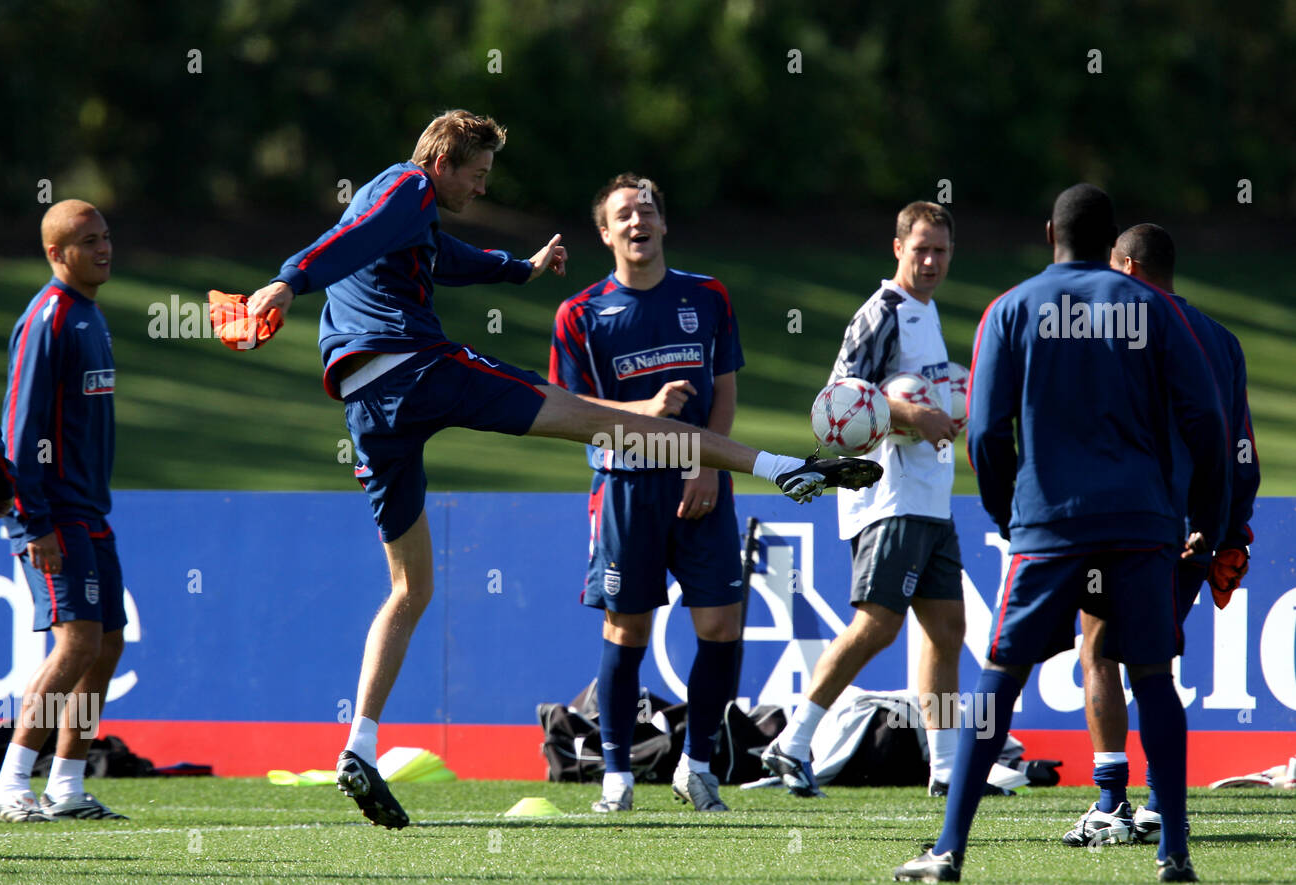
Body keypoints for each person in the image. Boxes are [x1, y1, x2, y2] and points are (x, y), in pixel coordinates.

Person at [240, 110, 881, 828]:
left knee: (410, 586)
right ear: (445, 158)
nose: (481, 189)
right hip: (415, 367)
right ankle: (784, 466)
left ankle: (358, 742)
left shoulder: (411, 218)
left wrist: (519, 268)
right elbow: (349, 239)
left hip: (366, 405)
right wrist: (287, 281)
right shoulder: (407, 186)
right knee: (606, 420)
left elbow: (444, 259)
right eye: (478, 175)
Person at [894, 184, 1229, 884]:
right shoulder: (1155, 310)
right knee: (1154, 677)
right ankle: (1175, 852)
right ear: (1112, 241)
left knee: (1001, 676)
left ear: (1050, 232)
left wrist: (1006, 511)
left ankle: (949, 849)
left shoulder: (1010, 308)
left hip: (1048, 522)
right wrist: (1208, 515)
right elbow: (1206, 420)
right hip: (1141, 523)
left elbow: (986, 431)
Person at [549, 174, 746, 813]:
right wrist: (646, 408)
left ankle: (697, 764)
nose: (639, 222)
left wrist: (709, 465)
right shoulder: (578, 314)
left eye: (648, 211)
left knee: (720, 624)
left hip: (700, 481)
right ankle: (616, 778)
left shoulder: (708, 295)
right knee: (628, 631)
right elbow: (568, 410)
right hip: (625, 487)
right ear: (605, 233)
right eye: (624, 215)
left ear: (663, 224)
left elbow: (725, 389)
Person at [759, 202, 969, 798]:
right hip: (889, 495)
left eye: (941, 251)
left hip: (930, 497)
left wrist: (946, 415)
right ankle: (793, 743)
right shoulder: (884, 311)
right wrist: (912, 413)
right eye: (920, 248)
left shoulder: (926, 312)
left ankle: (947, 769)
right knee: (877, 625)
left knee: (947, 627)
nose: (930, 261)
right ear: (897, 247)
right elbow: (836, 402)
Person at [1060, 223, 1258, 847]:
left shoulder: (1119, 334)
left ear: (1125, 265)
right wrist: (1227, 529)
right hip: (1197, 531)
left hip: (1124, 524)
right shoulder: (1222, 341)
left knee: (1098, 650)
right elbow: (1242, 449)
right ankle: (1155, 804)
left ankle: (1109, 802)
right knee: (1155, 661)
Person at [0, 199, 128, 822]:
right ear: (56, 254)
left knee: (106, 645)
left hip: (90, 511)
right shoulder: (47, 318)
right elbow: (18, 431)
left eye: (105, 236)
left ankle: (68, 786)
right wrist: (33, 522)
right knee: (75, 642)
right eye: (88, 241)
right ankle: (13, 778)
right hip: (54, 515)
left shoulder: (91, 315)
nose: (103, 248)